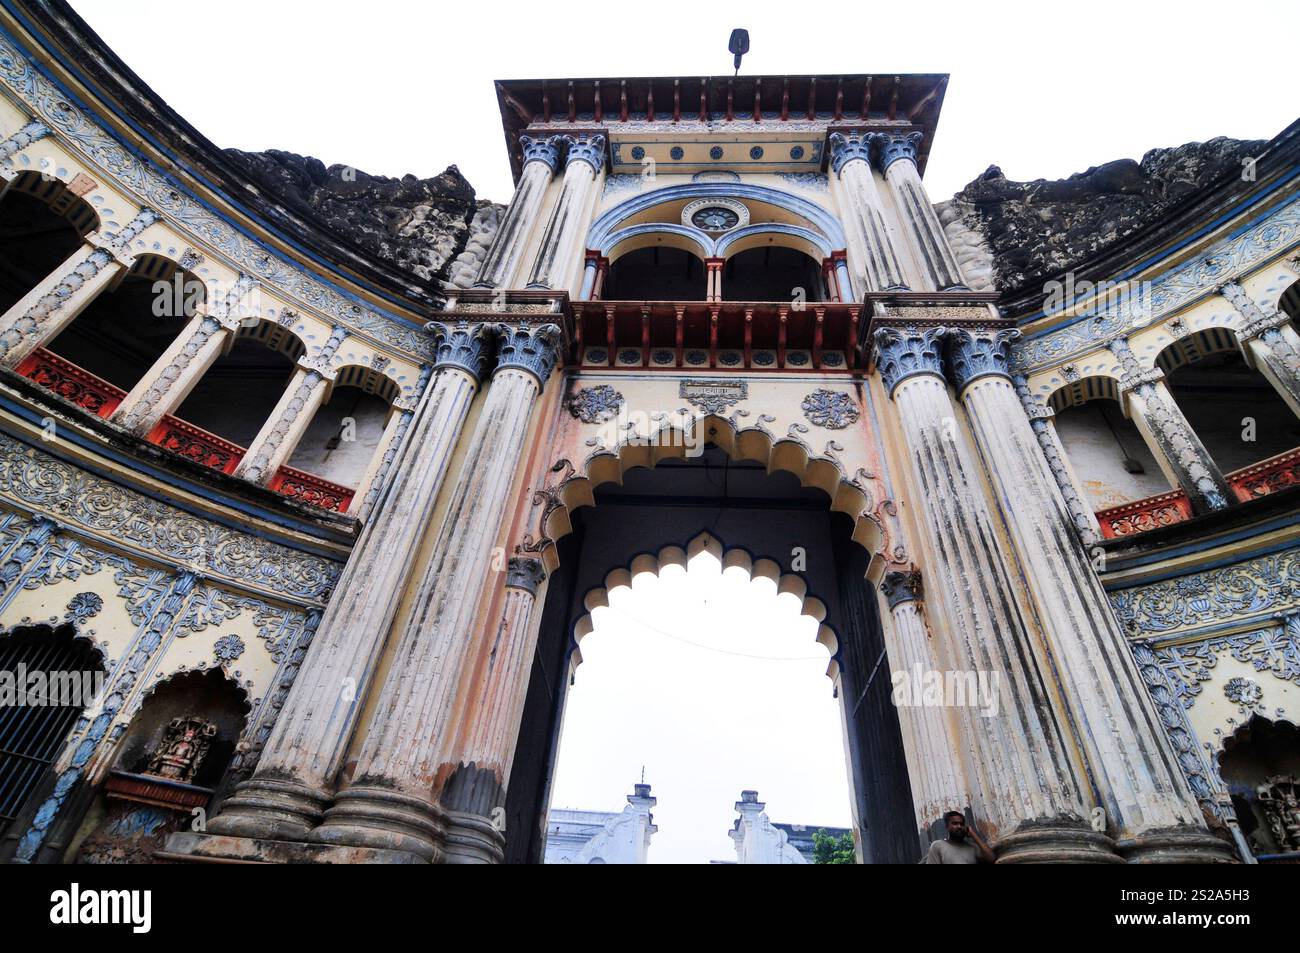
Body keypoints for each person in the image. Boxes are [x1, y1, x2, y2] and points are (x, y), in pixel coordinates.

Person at [923, 810, 994, 864]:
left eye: (961, 824)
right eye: (955, 823)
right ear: (947, 827)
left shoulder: (972, 847)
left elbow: (991, 858)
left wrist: (973, 835)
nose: (959, 826)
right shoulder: (938, 846)